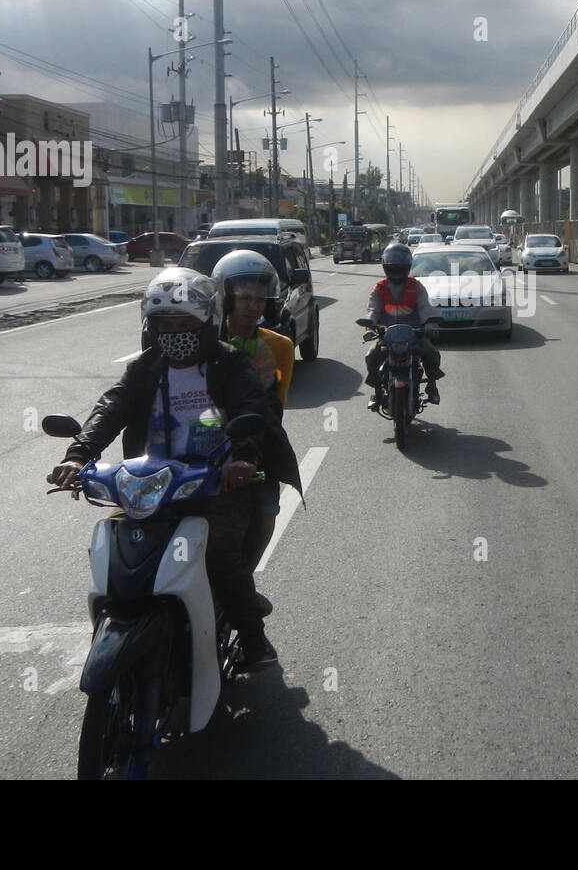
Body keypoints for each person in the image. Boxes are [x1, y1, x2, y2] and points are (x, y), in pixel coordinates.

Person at [47, 267, 301, 670]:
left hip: (215, 483)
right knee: (116, 548)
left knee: (219, 553)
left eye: (185, 322)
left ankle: (252, 635)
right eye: (164, 323)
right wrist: (78, 454)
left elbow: (251, 410)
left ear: (209, 321)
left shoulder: (230, 364)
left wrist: (243, 459)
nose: (174, 331)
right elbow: (110, 408)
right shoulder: (145, 367)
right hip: (150, 485)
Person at [212, 249, 295, 581]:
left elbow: (274, 407)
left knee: (265, 510)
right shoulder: (203, 341)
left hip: (255, 441)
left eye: (260, 300)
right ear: (225, 299)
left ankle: (244, 585)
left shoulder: (279, 347)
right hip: (199, 441)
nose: (252, 306)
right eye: (244, 298)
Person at [363, 242, 443, 411]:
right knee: (371, 356)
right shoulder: (380, 287)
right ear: (385, 265)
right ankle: (378, 391)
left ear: (407, 265)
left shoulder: (416, 286)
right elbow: (372, 309)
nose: (396, 267)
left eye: (400, 264)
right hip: (386, 335)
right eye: (393, 264)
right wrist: (370, 327)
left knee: (431, 353)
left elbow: (424, 307)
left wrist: (430, 324)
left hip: (414, 335)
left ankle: (432, 385)